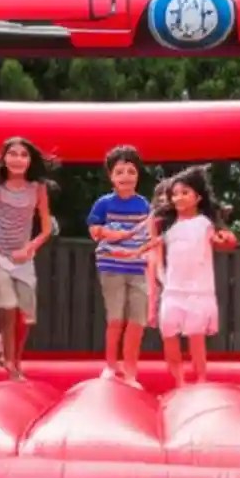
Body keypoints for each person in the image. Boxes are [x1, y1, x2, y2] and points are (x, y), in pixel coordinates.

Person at [134, 165, 238, 386]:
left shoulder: (205, 224)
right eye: (175, 194)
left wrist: (225, 240)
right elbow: (153, 246)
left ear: (198, 197)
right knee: (169, 336)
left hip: (198, 291)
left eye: (184, 193)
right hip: (173, 290)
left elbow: (227, 240)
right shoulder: (169, 226)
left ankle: (201, 379)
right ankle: (179, 381)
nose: (178, 198)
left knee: (196, 338)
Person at [0, 137, 56, 380]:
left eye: (23, 155)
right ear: (3, 158)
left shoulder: (37, 187)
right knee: (8, 305)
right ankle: (11, 365)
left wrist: (30, 247)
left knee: (27, 314)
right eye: (12, 154)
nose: (18, 159)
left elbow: (45, 227)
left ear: (30, 160)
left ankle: (10, 351)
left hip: (22, 256)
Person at [85, 145, 152, 386]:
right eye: (120, 172)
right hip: (111, 266)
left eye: (131, 171)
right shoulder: (103, 204)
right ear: (112, 177)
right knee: (115, 318)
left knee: (137, 321)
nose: (126, 177)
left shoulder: (145, 205)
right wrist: (115, 235)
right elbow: (94, 231)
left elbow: (151, 236)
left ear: (138, 176)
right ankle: (111, 366)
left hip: (138, 267)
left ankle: (131, 371)